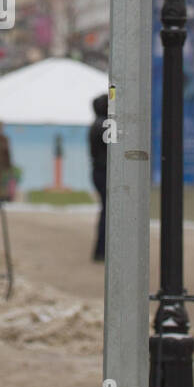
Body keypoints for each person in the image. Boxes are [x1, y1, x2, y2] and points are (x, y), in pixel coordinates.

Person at [89, 93, 109, 262]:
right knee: (107, 211)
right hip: (103, 171)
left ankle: (101, 249)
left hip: (99, 171)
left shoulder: (96, 124)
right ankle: (101, 249)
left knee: (105, 210)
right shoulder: (103, 125)